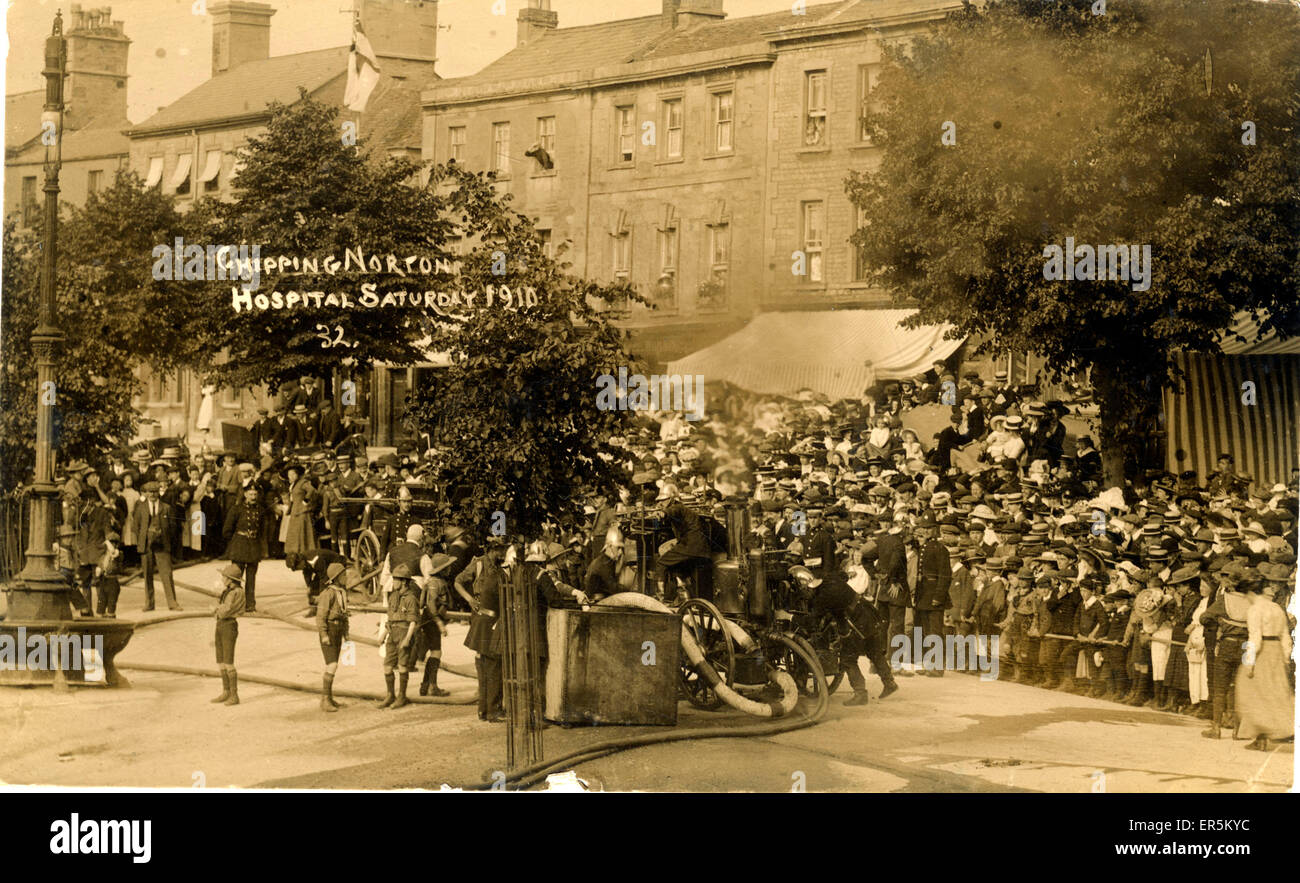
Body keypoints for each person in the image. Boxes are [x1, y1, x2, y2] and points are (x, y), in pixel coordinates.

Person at [788, 565, 899, 706]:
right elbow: (843, 576)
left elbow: (812, 622)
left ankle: (860, 694)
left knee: (848, 659)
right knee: (874, 652)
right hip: (867, 613)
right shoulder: (830, 578)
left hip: (854, 623)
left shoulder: (822, 598)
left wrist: (790, 617)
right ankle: (889, 682)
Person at [1235, 579, 1294, 750]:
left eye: (1246, 595)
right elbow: (1285, 635)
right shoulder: (1276, 608)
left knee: (1251, 692)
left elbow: (1255, 638)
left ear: (1251, 593)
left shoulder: (1255, 609)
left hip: (1262, 652)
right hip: (1276, 651)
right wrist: (1285, 657)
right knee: (1274, 691)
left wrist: (1249, 663)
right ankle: (1265, 735)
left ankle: (1262, 735)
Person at [464, 539, 507, 722]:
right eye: (500, 551)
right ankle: (493, 710)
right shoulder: (499, 577)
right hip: (490, 624)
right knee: (494, 668)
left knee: (483, 668)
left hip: (481, 622)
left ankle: (483, 709)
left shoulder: (491, 574)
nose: (502, 554)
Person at [379, 562, 421, 709]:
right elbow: (389, 618)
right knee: (387, 666)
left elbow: (413, 622)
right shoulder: (393, 596)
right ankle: (390, 695)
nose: (393, 582)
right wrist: (383, 635)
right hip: (392, 634)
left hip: (404, 633)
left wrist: (408, 639)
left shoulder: (410, 598)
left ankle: (402, 696)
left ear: (404, 581)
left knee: (403, 666)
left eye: (396, 579)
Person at [133, 481, 181, 611]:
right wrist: (144, 538)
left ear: (158, 493)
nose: (152, 494)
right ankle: (149, 603)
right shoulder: (140, 507)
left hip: (162, 545)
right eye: (150, 492)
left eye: (155, 491)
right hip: (146, 545)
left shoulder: (166, 508)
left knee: (167, 574)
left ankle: (172, 602)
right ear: (146, 493)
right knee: (147, 575)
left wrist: (163, 536)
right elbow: (135, 527)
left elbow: (173, 527)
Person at [222, 484, 270, 613]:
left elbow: (263, 530)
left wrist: (262, 547)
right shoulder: (237, 509)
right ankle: (233, 603)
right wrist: (235, 542)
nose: (253, 497)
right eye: (250, 494)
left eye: (255, 494)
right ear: (245, 495)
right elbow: (226, 530)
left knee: (251, 578)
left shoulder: (261, 510)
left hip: (254, 547)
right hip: (240, 546)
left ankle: (250, 605)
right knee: (236, 577)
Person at [316, 561, 350, 712]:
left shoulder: (342, 592)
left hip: (338, 630)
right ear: (336, 577)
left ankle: (329, 697)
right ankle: (324, 699)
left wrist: (346, 633)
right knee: (332, 664)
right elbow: (320, 617)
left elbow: (344, 614)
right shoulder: (328, 594)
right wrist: (324, 634)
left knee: (335, 663)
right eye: (343, 575)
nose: (346, 577)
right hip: (329, 630)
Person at [211, 563, 246, 706]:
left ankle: (234, 694)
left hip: (228, 625)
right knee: (220, 661)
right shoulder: (227, 591)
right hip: (220, 624)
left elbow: (225, 610)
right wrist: (218, 608)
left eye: (224, 577)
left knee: (228, 661)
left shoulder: (235, 592)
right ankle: (226, 691)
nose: (222, 579)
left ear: (231, 579)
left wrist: (216, 608)